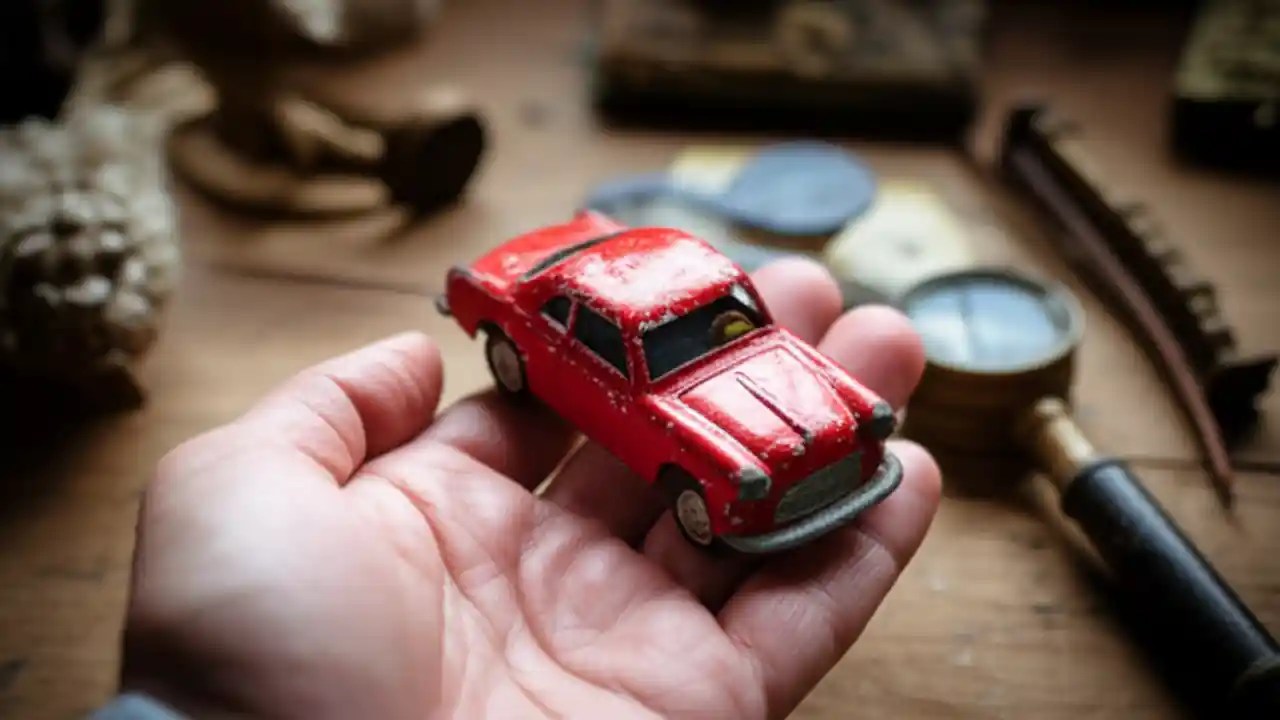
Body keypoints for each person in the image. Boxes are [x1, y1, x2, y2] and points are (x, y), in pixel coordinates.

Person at [108, 260, 941, 719]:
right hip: (707, 457)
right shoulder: (575, 336)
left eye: (728, 313)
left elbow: (780, 355)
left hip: (809, 457)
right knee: (736, 476)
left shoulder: (751, 328)